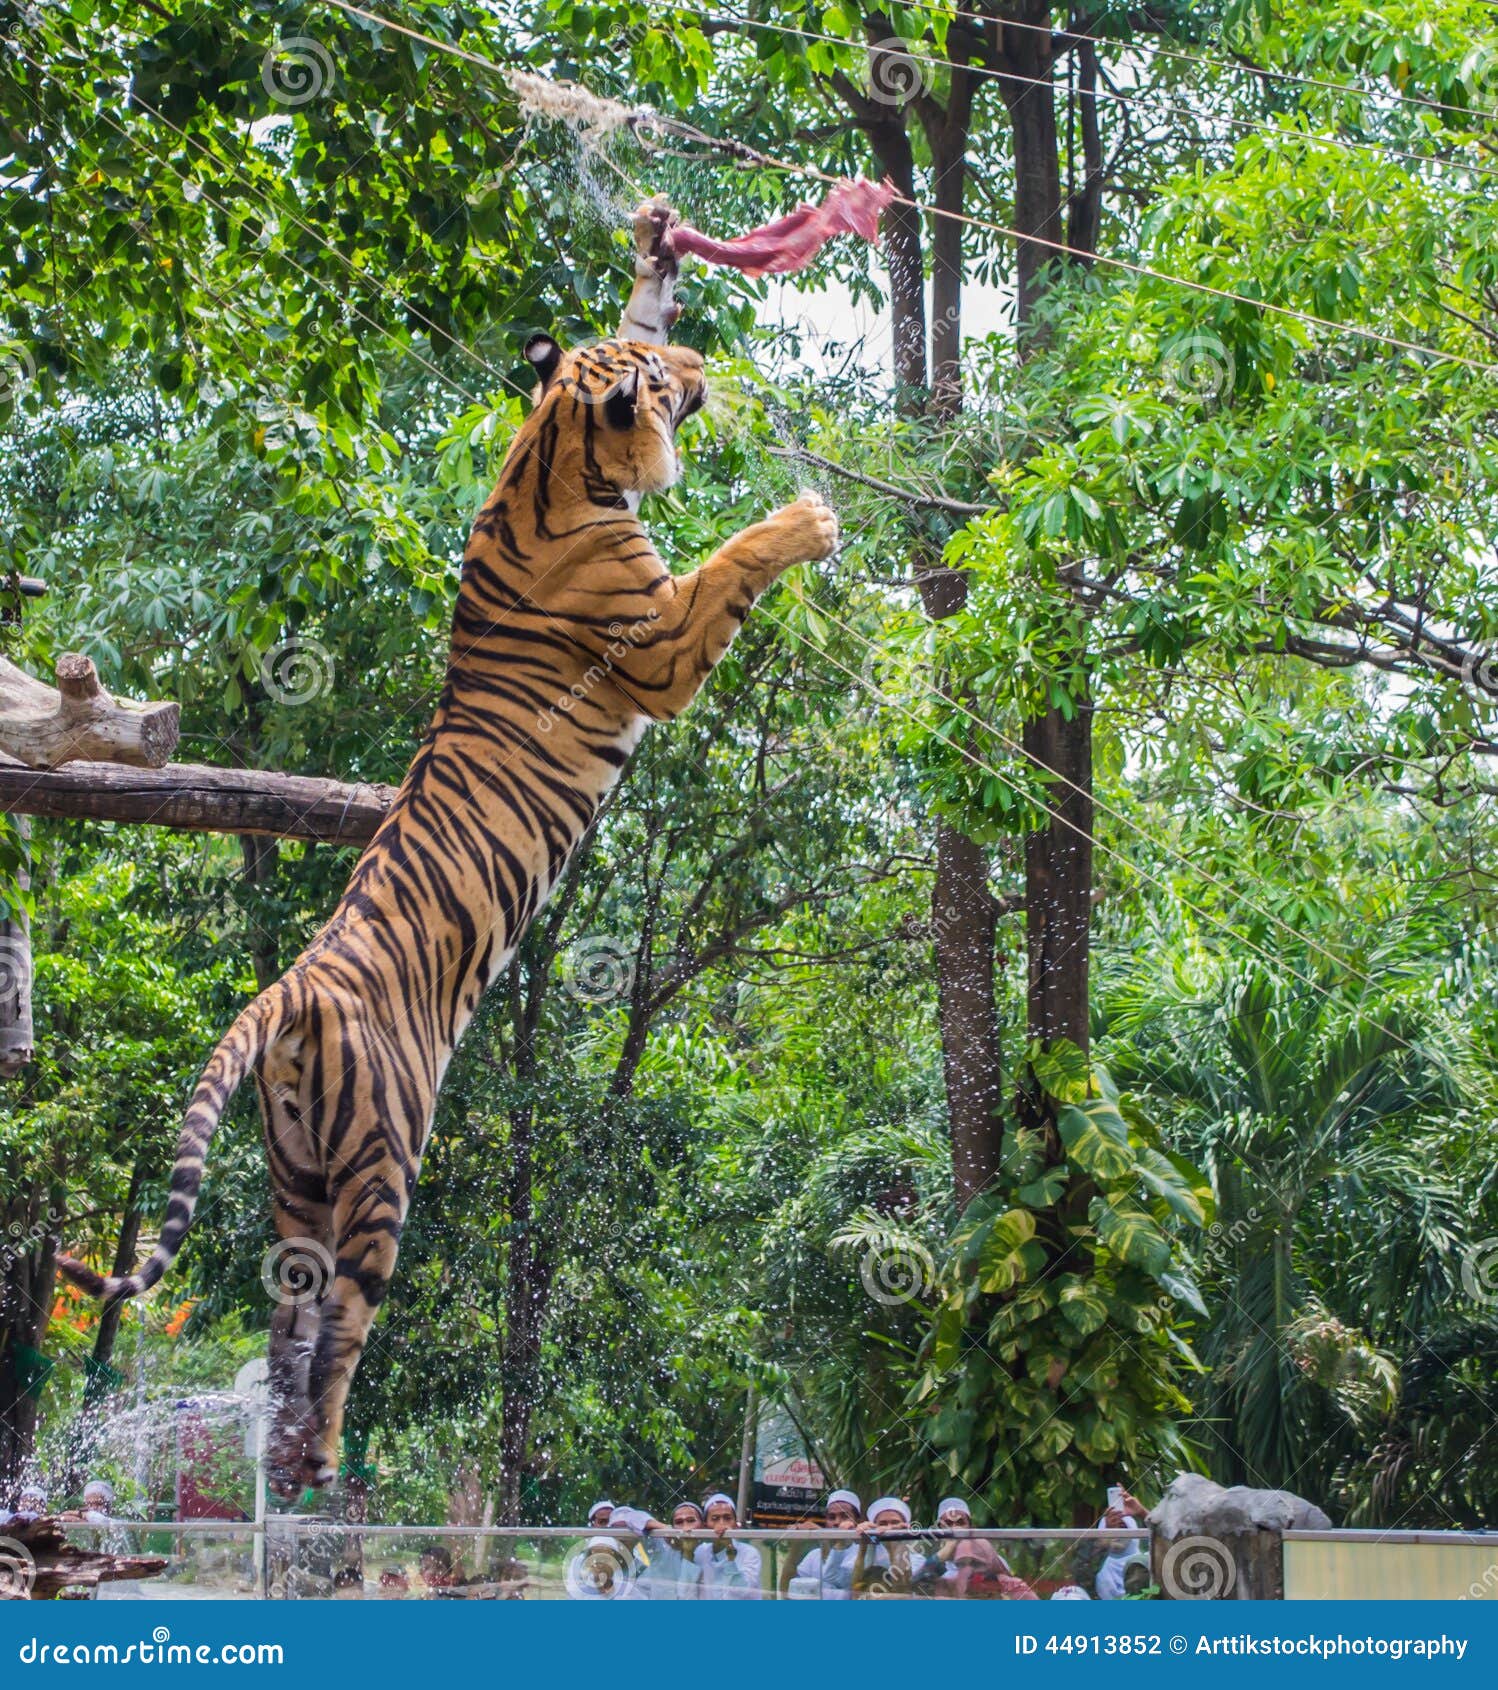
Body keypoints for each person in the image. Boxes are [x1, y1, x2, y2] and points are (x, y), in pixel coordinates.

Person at [928, 1497, 1037, 1599]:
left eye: (961, 1522)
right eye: (948, 1524)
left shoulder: (989, 1559)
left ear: (970, 1527)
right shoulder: (931, 1564)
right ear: (939, 1530)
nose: (955, 1528)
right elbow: (917, 1583)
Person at [780, 1489, 861, 1599]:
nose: (837, 1522)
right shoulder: (814, 1555)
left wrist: (825, 1543)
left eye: (844, 1516)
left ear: (857, 1521)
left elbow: (839, 1582)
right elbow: (786, 1592)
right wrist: (796, 1545)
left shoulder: (861, 1554)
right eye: (832, 1517)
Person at [852, 1496, 931, 1596]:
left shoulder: (917, 1559)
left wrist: (895, 1543)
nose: (889, 1528)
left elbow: (903, 1587)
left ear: (905, 1526)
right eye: (883, 1523)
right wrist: (863, 1539)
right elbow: (853, 1584)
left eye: (895, 1523)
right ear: (874, 1525)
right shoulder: (868, 1551)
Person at [693, 1493, 762, 1599]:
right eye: (715, 1518)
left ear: (735, 1524)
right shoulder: (700, 1552)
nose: (722, 1524)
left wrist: (729, 1550)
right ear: (706, 1525)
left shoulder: (750, 1553)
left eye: (727, 1518)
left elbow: (740, 1593)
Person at [1088, 1484, 1148, 1600]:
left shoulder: (1145, 1563)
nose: (1117, 1534)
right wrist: (1105, 1537)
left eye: (1122, 1527)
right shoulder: (1096, 1570)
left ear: (1133, 1533)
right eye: (1112, 1528)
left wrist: (1142, 1512)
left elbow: (1168, 1539)